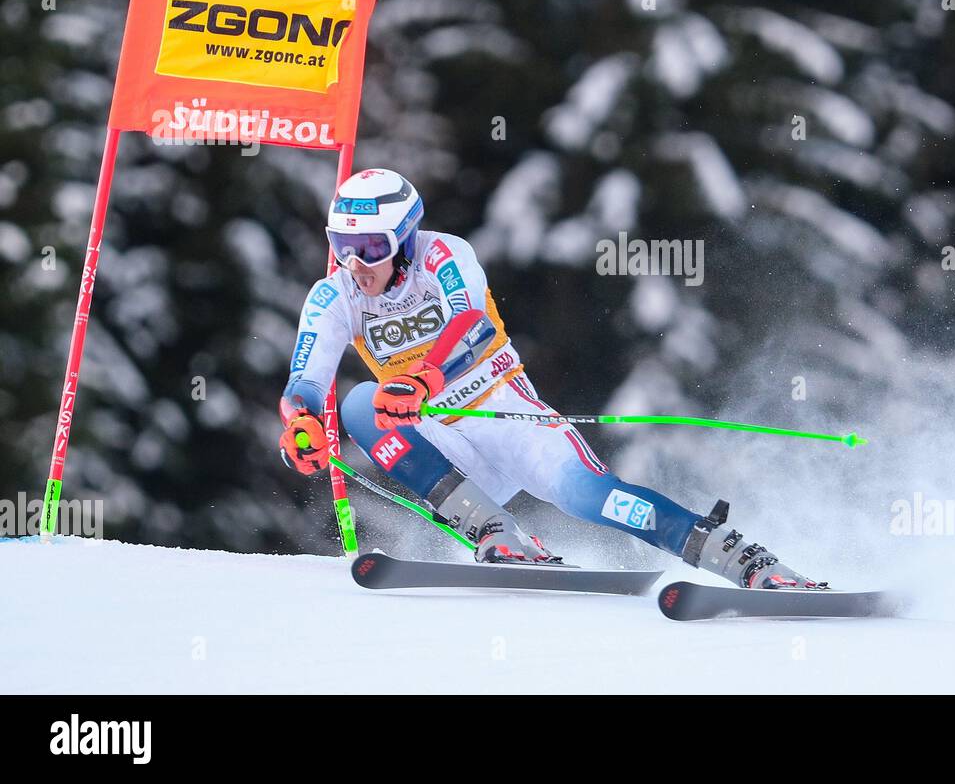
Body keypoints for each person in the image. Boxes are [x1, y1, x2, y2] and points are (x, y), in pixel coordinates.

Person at [278, 168, 822, 589]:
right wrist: (300, 422)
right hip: (446, 451)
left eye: (371, 247)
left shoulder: (444, 253)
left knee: (595, 498)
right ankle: (494, 530)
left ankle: (738, 558)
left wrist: (422, 378)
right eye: (342, 246)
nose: (356, 263)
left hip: (502, 413)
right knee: (357, 404)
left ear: (402, 237)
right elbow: (306, 377)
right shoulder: (335, 294)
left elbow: (472, 324)